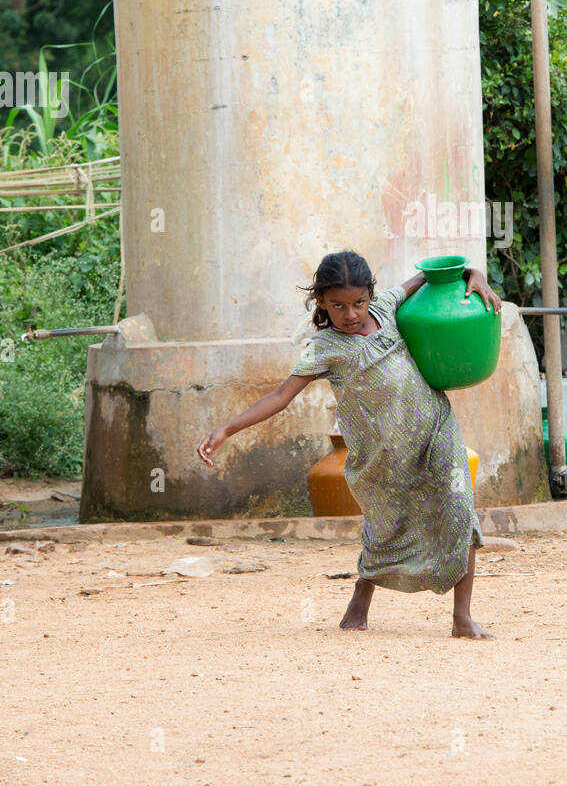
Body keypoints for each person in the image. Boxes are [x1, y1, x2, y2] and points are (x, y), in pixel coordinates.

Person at [197, 249, 502, 636]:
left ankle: (462, 617)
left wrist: (474, 273)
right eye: (338, 305)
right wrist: (226, 429)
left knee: (459, 508)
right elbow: (279, 397)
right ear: (321, 302)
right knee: (388, 528)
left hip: (436, 430)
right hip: (383, 456)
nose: (351, 314)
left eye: (358, 302)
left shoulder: (388, 308)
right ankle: (363, 589)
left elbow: (428, 276)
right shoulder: (325, 348)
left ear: (371, 295)